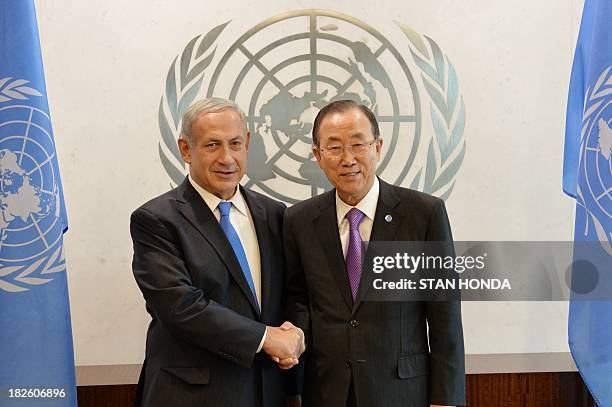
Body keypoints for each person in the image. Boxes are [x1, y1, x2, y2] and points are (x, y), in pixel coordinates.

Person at [284, 100, 465, 406]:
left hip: (402, 391)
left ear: (378, 147)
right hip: (326, 391)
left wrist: (446, 400)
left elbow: (444, 313)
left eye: (358, 144)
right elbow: (296, 298)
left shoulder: (423, 214)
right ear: (317, 155)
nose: (348, 159)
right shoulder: (299, 220)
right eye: (334, 147)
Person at [131, 98, 304, 407]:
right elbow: (181, 307)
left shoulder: (275, 215)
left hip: (266, 393)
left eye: (235, 143)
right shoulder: (156, 220)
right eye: (212, 145)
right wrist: (266, 338)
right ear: (186, 149)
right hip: (189, 396)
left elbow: (293, 293)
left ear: (248, 143)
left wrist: (296, 336)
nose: (227, 158)